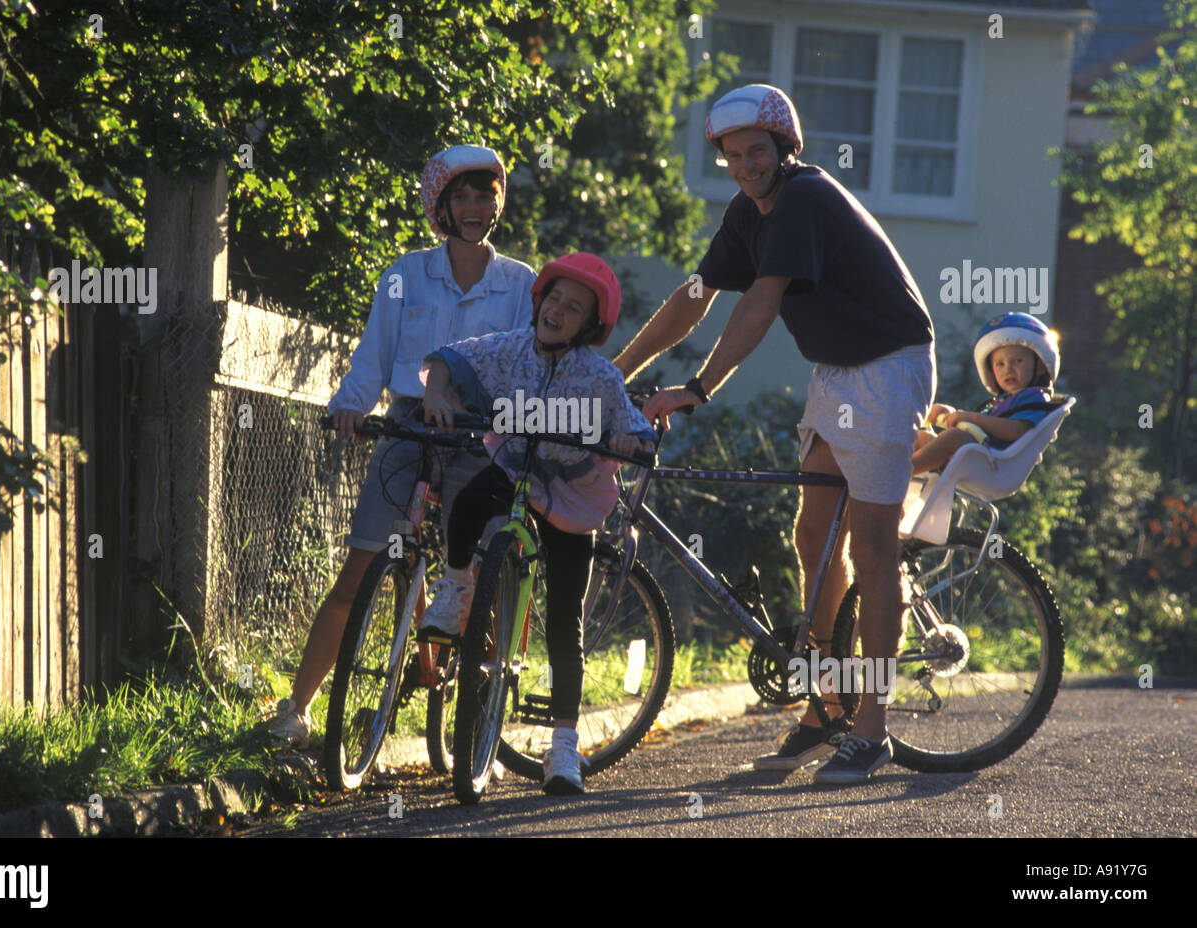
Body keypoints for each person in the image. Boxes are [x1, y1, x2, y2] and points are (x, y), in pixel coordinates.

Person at [614, 84, 936, 784]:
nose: (744, 164)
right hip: (836, 374)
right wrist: (615, 370)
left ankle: (872, 727)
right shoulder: (747, 212)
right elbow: (696, 296)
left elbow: (763, 300)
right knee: (812, 535)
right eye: (732, 155)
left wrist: (698, 388)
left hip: (888, 369)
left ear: (784, 147)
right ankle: (826, 707)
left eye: (756, 150)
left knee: (872, 545)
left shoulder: (805, 199)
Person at [268, 145, 536, 748]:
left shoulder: (522, 283)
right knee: (361, 566)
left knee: (477, 573)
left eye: (484, 195)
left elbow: (523, 362)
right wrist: (351, 405)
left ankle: (475, 722)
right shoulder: (404, 274)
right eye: (461, 196)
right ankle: (297, 709)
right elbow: (374, 354)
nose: (474, 207)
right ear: (440, 206)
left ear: (499, 201)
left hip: (481, 431)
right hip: (410, 424)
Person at [416, 253, 656, 795]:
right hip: (518, 469)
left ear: (590, 325)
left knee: (564, 622)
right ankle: (455, 588)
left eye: (574, 308)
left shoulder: (601, 375)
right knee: (471, 502)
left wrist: (627, 442)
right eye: (554, 298)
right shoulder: (509, 347)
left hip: (572, 495)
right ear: (539, 299)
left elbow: (640, 433)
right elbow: (448, 359)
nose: (558, 311)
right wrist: (436, 391)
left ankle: (564, 749)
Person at [912, 313, 1061, 474]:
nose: (1008, 370)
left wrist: (970, 417)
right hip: (978, 457)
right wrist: (950, 415)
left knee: (955, 437)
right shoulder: (1001, 401)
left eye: (1018, 361)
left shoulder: (1034, 397)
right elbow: (975, 427)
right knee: (921, 437)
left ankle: (899, 473)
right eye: (1000, 364)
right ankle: (890, 474)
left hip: (994, 465)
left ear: (1039, 366)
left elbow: (1017, 430)